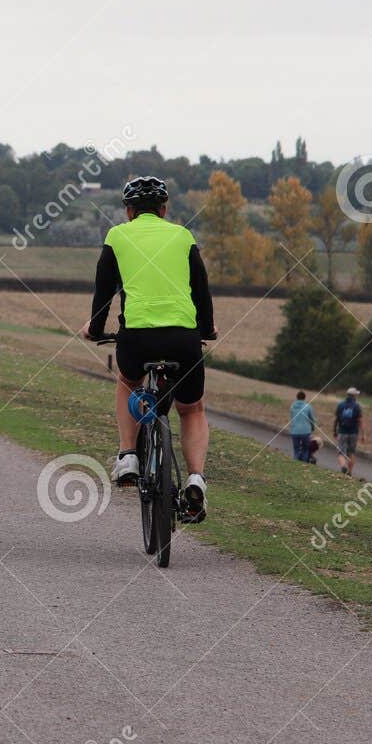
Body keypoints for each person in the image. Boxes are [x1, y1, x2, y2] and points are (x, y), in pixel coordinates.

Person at [81, 176, 217, 523]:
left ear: (128, 212)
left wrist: (94, 329)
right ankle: (196, 478)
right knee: (192, 409)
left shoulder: (117, 236)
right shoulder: (183, 236)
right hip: (183, 336)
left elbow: (103, 291)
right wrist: (207, 329)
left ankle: (128, 454)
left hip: (137, 336)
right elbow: (201, 290)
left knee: (127, 381)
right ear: (164, 209)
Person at [335, 387, 363, 475]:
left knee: (341, 452)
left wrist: (334, 431)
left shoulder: (340, 405)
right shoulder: (357, 406)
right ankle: (350, 472)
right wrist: (363, 434)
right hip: (354, 432)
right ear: (354, 396)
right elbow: (360, 421)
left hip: (342, 431)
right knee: (352, 452)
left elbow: (336, 419)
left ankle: (343, 466)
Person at [288, 391, 316, 462]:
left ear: (296, 397)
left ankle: (295, 464)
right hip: (305, 431)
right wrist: (313, 427)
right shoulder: (308, 407)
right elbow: (312, 419)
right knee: (305, 449)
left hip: (294, 431)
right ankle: (304, 464)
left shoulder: (292, 406)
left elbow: (292, 418)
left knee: (296, 449)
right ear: (304, 398)